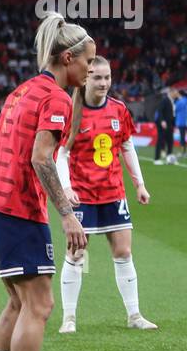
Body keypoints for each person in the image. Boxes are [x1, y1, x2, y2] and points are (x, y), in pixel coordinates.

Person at [0, 13, 93, 351]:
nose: (90, 69)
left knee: (17, 302)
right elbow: (41, 158)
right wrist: (67, 215)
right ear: (67, 58)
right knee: (40, 305)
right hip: (17, 210)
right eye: (87, 62)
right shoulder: (57, 97)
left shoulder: (20, 91)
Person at [55, 56, 157, 334]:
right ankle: (69, 318)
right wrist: (66, 187)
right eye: (97, 77)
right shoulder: (71, 110)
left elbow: (126, 147)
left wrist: (140, 184)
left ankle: (134, 315)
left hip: (113, 192)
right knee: (77, 254)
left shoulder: (119, 109)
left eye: (107, 77)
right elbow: (61, 153)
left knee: (124, 252)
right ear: (85, 78)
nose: (103, 83)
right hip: (82, 196)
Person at [153, 88, 175, 165]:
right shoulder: (165, 100)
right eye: (175, 92)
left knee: (170, 141)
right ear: (171, 92)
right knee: (160, 140)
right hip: (163, 124)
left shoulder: (172, 101)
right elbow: (160, 110)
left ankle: (169, 158)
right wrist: (162, 121)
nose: (176, 94)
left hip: (170, 124)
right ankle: (156, 159)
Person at [173, 90, 187, 159]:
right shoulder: (185, 100)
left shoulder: (180, 101)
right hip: (184, 121)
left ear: (179, 94)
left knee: (182, 137)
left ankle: (183, 152)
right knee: (183, 137)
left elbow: (175, 110)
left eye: (176, 93)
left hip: (182, 121)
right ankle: (183, 152)